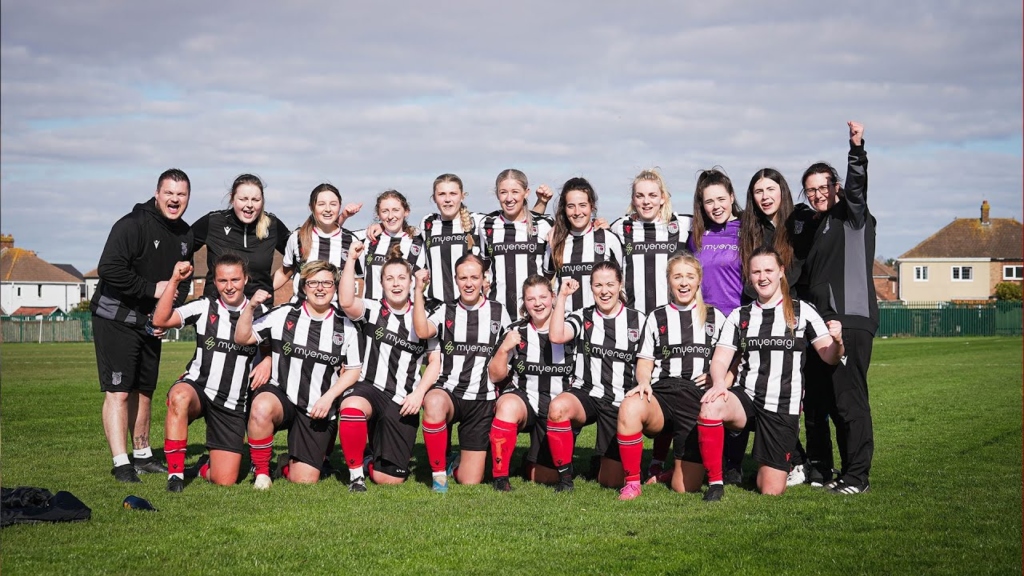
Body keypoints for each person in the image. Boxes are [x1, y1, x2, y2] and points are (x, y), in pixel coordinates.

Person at [698, 247, 844, 498]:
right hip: (747, 399)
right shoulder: (740, 315)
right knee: (711, 406)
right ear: (749, 276)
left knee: (770, 489)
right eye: (756, 272)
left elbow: (829, 356)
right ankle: (715, 482)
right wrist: (719, 383)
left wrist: (839, 342)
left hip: (782, 406)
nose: (762, 277)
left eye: (768, 270)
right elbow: (720, 358)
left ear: (781, 273)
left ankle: (783, 458)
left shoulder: (802, 311)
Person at [91, 168, 192, 483]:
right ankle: (121, 463)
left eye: (181, 194)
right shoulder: (132, 225)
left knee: (144, 391)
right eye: (169, 193)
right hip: (115, 319)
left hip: (150, 325)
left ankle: (144, 456)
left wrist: (165, 313)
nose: (174, 200)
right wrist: (153, 289)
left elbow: (182, 284)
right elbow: (108, 268)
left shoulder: (185, 235)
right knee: (119, 392)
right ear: (158, 193)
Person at [797, 120, 876, 495]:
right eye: (810, 190)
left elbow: (857, 188)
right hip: (822, 325)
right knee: (823, 402)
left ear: (836, 187)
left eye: (823, 187)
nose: (816, 194)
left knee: (850, 402)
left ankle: (857, 477)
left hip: (851, 321)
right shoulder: (820, 225)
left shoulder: (852, 215)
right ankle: (828, 472)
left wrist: (855, 149)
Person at [235, 260, 362, 490]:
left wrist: (329, 398)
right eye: (313, 282)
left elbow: (353, 370)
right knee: (261, 406)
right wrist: (250, 307)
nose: (320, 288)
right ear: (303, 287)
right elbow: (243, 338)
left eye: (326, 283)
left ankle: (285, 464)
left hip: (317, 406)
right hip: (282, 395)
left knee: (304, 479)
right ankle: (262, 473)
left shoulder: (347, 327)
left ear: (335, 288)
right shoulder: (283, 315)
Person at [151, 254, 272, 492]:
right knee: (179, 397)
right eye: (222, 280)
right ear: (215, 282)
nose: (229, 286)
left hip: (232, 402)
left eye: (235, 279)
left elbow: (276, 347)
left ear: (246, 279)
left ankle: (202, 467)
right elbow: (160, 318)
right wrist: (174, 281)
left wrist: (267, 359)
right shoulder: (204, 306)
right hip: (199, 387)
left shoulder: (262, 312)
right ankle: (175, 476)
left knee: (225, 479)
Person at [615, 254, 727, 500]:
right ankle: (632, 482)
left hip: (695, 398)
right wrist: (643, 381)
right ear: (669, 282)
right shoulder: (657, 317)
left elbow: (732, 360)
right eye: (677, 277)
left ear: (698, 281)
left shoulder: (715, 317)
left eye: (689, 277)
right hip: (663, 395)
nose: (684, 283)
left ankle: (670, 471)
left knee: (685, 487)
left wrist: (720, 381)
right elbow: (645, 361)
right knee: (629, 406)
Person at [335, 243, 441, 491]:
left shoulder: (424, 316)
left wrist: (419, 394)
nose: (396, 284)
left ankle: (372, 458)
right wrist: (351, 259)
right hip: (370, 389)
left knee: (390, 479)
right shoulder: (372, 309)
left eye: (402, 278)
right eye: (389, 279)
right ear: (381, 284)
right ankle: (355, 476)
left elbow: (435, 362)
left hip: (403, 399)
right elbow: (346, 300)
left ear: (410, 283)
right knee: (351, 408)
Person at [412, 254, 511, 492]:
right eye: (463, 277)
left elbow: (507, 358)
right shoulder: (445, 310)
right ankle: (438, 477)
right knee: (433, 402)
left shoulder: (498, 311)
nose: (468, 283)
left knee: (470, 479)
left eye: (474, 277)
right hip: (450, 393)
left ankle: (455, 462)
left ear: (483, 279)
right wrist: (418, 291)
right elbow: (422, 330)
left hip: (481, 399)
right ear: (455, 280)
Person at [546, 261, 645, 492]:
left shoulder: (638, 321)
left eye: (610, 284)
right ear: (591, 288)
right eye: (598, 285)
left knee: (610, 481)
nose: (604, 291)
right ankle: (565, 479)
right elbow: (557, 336)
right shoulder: (583, 316)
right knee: (558, 407)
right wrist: (562, 296)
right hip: (586, 393)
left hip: (618, 401)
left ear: (620, 285)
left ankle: (598, 462)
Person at [486, 275, 575, 491]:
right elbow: (495, 375)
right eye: (531, 299)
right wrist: (505, 348)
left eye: (543, 297)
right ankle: (501, 479)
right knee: (506, 405)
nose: (538, 303)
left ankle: (529, 461)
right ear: (524, 303)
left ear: (553, 297)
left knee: (545, 477)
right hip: (525, 401)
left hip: (557, 409)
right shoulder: (516, 330)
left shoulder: (571, 327)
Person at [419, 173, 551, 308]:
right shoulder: (427, 223)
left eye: (453, 193)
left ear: (462, 196)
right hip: (434, 307)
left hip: (469, 307)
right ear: (434, 198)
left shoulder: (479, 222)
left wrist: (541, 203)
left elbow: (521, 224)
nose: (447, 199)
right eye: (441, 194)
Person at [190, 174, 290, 303]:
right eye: (243, 199)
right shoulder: (213, 222)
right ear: (232, 199)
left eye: (255, 200)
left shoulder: (272, 225)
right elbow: (181, 248)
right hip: (217, 311)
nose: (249, 205)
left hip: (258, 313)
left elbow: (297, 257)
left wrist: (268, 287)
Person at [609, 169, 692, 315]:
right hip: (634, 317)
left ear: (662, 198)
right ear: (633, 200)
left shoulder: (683, 224)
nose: (646, 201)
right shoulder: (621, 227)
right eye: (640, 196)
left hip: (672, 316)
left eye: (652, 195)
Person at [478, 169, 555, 318]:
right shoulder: (487, 224)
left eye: (515, 192)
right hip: (498, 313)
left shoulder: (545, 224)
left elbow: (548, 272)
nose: (509, 198)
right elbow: (484, 265)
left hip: (535, 314)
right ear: (497, 195)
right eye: (503, 192)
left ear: (526, 193)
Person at [274, 183, 362, 301]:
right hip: (301, 311)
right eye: (321, 204)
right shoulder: (297, 238)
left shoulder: (351, 240)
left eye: (333, 204)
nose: (328, 209)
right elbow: (285, 273)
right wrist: (259, 290)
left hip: (337, 314)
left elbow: (362, 278)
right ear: (311, 207)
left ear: (340, 206)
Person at [548, 177, 624, 311]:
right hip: (565, 324)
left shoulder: (608, 239)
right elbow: (545, 282)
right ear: (564, 209)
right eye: (571, 206)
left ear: (592, 206)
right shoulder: (555, 241)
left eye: (582, 205)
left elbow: (622, 283)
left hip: (600, 324)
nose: (577, 212)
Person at [357, 190, 427, 301]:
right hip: (373, 314)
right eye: (385, 211)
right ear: (378, 214)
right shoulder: (368, 238)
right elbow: (331, 233)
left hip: (409, 314)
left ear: (406, 211)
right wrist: (344, 216)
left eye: (396, 210)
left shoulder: (420, 241)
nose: (390, 216)